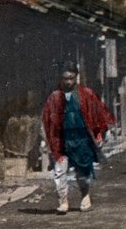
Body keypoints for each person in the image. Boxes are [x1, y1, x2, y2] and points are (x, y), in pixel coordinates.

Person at [42, 62, 115, 214]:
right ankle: (63, 201)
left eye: (71, 78)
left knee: (83, 172)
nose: (68, 81)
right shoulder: (54, 97)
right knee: (59, 172)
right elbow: (46, 120)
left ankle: (85, 196)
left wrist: (99, 133)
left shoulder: (86, 94)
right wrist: (46, 140)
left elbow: (98, 114)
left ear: (76, 77)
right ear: (61, 79)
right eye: (65, 78)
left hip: (82, 140)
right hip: (62, 141)